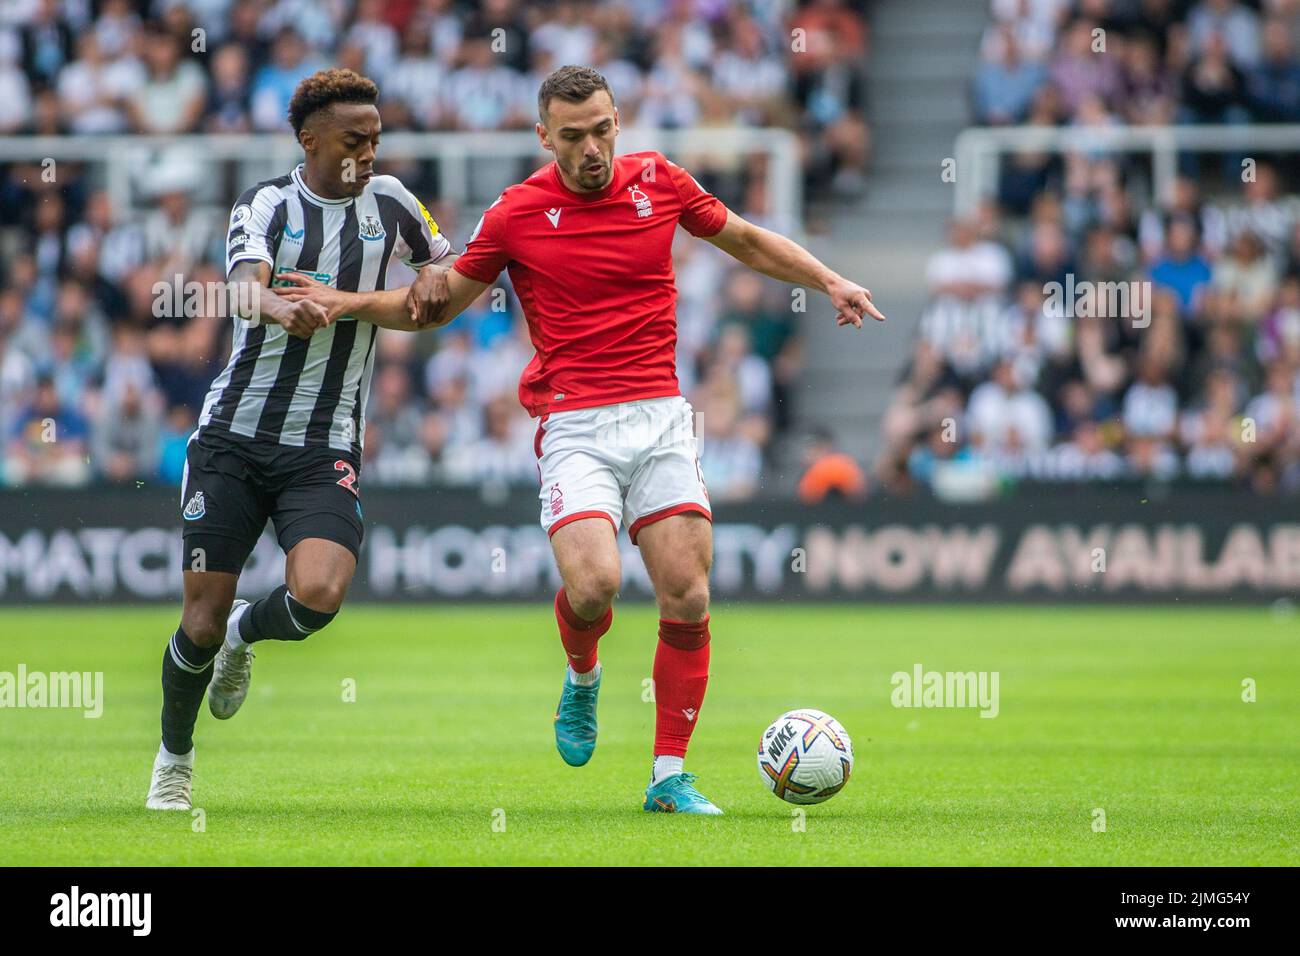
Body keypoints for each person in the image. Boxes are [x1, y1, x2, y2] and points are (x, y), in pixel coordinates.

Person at [278, 65, 883, 815]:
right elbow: (434, 306)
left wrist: (830, 280)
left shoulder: (659, 180)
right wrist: (346, 303)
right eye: (573, 136)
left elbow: (748, 241)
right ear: (545, 138)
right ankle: (583, 672)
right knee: (594, 585)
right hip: (575, 423)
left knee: (688, 595)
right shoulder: (517, 213)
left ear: (617, 121)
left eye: (603, 129)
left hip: (661, 413)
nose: (592, 147)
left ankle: (668, 778)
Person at [146, 68, 456, 811]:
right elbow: (245, 284)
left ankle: (246, 637)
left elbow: (446, 273)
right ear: (310, 139)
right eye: (355, 141)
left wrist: (432, 284)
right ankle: (174, 759)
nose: (370, 153)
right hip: (232, 440)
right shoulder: (267, 204)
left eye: (377, 139)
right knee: (197, 619)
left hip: (324, 444)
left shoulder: (394, 204)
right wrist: (276, 310)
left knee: (317, 595)